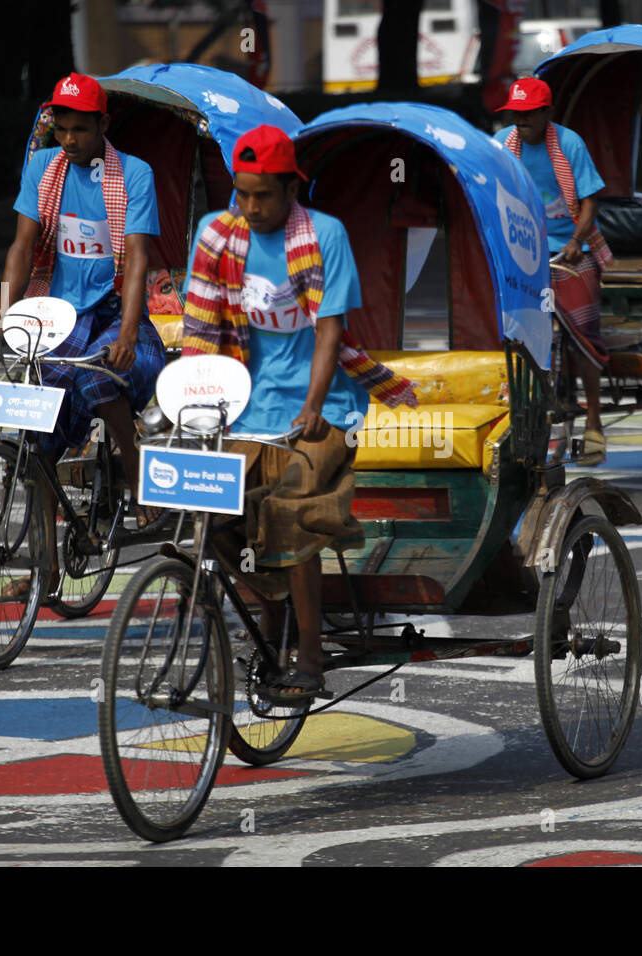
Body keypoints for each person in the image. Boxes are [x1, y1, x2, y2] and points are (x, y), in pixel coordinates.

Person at [180, 124, 416, 702]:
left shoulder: (323, 235)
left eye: (264, 195)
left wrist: (314, 409)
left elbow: (329, 332)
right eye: (243, 193)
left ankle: (309, 651)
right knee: (211, 512)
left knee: (294, 508)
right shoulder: (216, 237)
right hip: (244, 402)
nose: (252, 206)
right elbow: (201, 331)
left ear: (291, 190)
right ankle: (272, 613)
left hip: (322, 402)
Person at [0, 72, 167, 601]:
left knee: (106, 373)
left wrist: (127, 332)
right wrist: (1, 323)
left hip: (115, 314)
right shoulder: (43, 168)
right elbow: (21, 247)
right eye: (62, 129)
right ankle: (47, 571)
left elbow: (137, 262)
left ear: (103, 124)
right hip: (57, 316)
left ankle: (134, 468)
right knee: (36, 442)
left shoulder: (134, 175)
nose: (70, 140)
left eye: (81, 129)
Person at [494, 77, 612, 465]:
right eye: (516, 115)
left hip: (570, 250)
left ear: (547, 113)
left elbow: (591, 199)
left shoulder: (569, 144)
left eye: (529, 115)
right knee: (509, 334)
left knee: (583, 333)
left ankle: (593, 422)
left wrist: (577, 241)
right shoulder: (501, 145)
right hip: (521, 253)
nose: (521, 122)